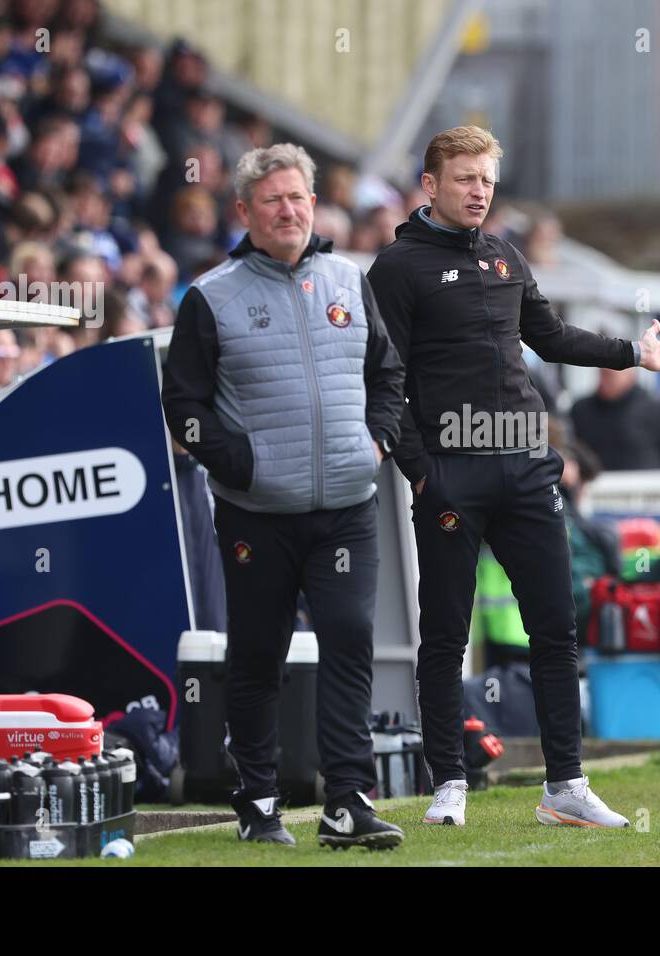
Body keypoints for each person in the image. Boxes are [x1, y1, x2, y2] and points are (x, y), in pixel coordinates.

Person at [368, 126, 660, 828]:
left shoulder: (504, 256)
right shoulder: (396, 268)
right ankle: (449, 783)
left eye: (486, 179)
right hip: (452, 476)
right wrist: (422, 473)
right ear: (431, 186)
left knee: (555, 628)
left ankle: (565, 786)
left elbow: (550, 337)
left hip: (525, 469)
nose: (479, 191)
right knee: (445, 633)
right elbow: (383, 378)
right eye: (465, 179)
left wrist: (634, 353)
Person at [162, 143, 407, 849]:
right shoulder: (211, 296)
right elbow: (182, 404)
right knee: (259, 654)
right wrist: (238, 463)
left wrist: (378, 442)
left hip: (346, 509)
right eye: (273, 199)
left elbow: (388, 376)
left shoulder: (348, 278)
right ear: (245, 211)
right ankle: (258, 801)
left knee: (350, 640)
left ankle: (348, 801)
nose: (289, 209)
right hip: (256, 515)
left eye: (298, 196)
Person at [570, 365, 660, 470]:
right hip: (594, 492)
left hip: (645, 492)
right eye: (603, 374)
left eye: (611, 375)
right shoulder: (582, 409)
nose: (605, 381)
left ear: (631, 374)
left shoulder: (654, 408)